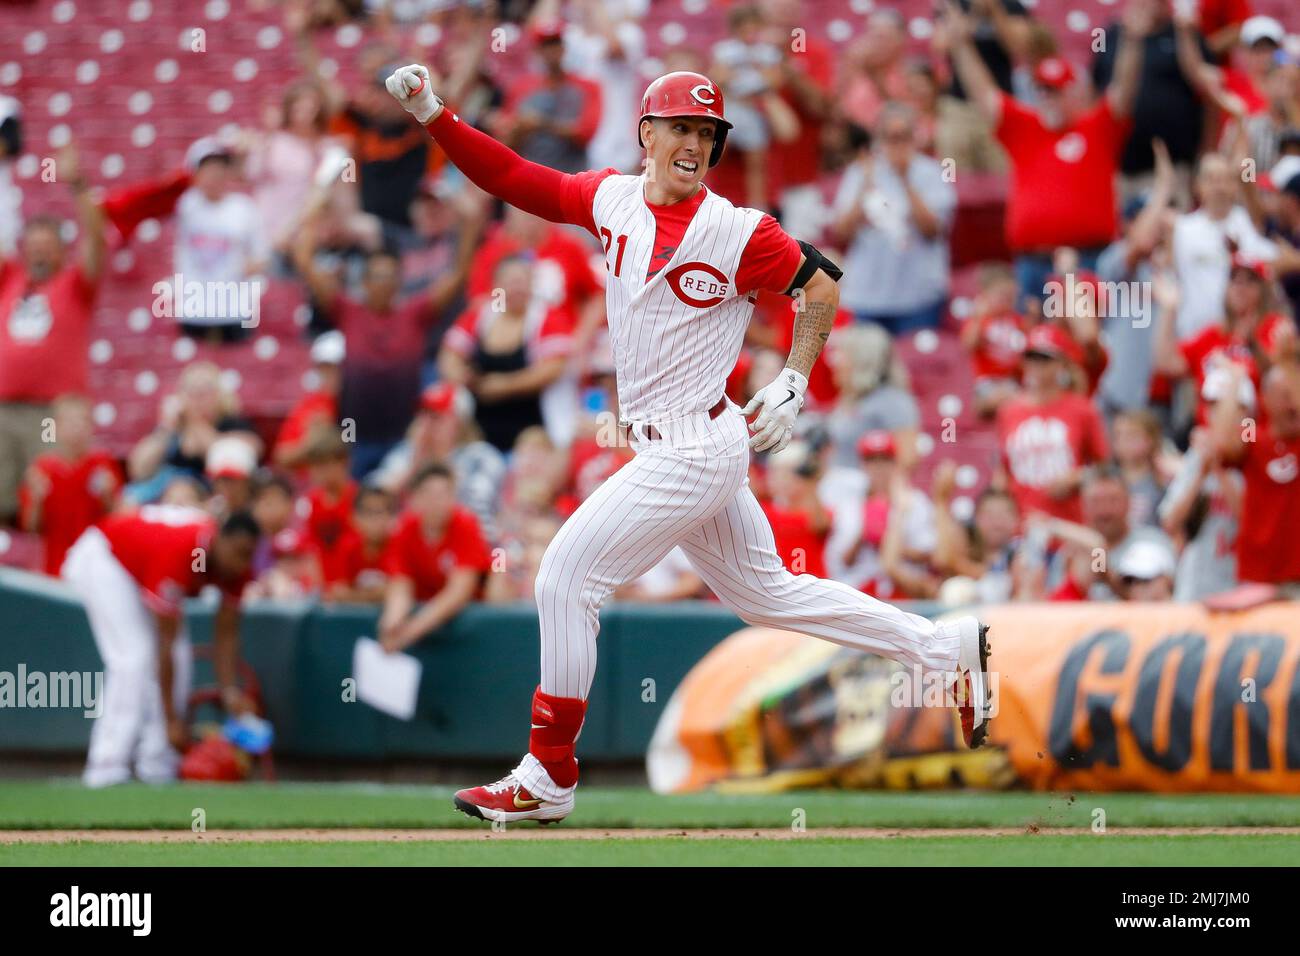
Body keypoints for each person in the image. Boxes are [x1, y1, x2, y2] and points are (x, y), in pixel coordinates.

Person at [384, 63, 992, 823]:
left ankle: (547, 773)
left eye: (707, 133)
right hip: (671, 443)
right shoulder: (610, 198)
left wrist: (796, 380)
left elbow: (822, 286)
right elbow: (510, 174)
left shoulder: (738, 230)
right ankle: (946, 647)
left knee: (563, 579)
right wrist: (435, 114)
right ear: (646, 134)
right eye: (681, 127)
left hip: (699, 445)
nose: (695, 143)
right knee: (766, 596)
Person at [944, 0, 1149, 309]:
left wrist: (1133, 40)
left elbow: (1125, 89)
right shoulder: (1024, 125)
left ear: (1074, 92)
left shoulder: (1096, 126)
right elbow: (983, 93)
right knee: (1034, 345)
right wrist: (960, 46)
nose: (1047, 98)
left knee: (1088, 343)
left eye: (1055, 90)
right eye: (1041, 90)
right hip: (1033, 261)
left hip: (1089, 258)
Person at [61, 506, 259, 787]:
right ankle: (106, 767)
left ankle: (157, 764)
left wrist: (230, 694)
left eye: (249, 554)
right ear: (219, 539)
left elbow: (226, 636)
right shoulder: (187, 552)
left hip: (141, 566)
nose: (242, 563)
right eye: (238, 552)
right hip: (106, 558)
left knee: (180, 656)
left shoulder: (238, 570)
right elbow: (163, 647)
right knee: (134, 658)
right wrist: (172, 722)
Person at [0, 146, 106, 522]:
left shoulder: (74, 285)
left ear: (62, 251)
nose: (39, 253)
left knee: (48, 494)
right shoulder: (11, 279)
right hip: (4, 408)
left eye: (47, 247)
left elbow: (97, 240)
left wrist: (78, 186)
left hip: (49, 411)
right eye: (33, 247)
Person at [829, 102, 958, 333]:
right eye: (890, 137)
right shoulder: (861, 172)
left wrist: (905, 179)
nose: (897, 144)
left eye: (903, 136)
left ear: (914, 137)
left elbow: (934, 229)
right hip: (867, 296)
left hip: (918, 298)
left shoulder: (932, 172)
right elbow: (841, 231)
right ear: (879, 138)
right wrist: (864, 189)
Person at [995, 324, 1110, 523]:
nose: (1037, 365)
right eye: (1031, 358)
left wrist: (1077, 478)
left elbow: (1105, 469)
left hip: (1069, 522)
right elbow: (1004, 470)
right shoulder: (1009, 410)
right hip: (1023, 523)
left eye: (1045, 359)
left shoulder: (1082, 409)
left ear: (1062, 364)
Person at [377, 463, 492, 653]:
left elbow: (459, 591)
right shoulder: (403, 529)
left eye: (444, 494)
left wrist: (410, 631)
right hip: (426, 611)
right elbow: (400, 585)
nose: (437, 502)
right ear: (414, 498)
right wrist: (392, 621)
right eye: (429, 495)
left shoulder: (466, 524)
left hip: (468, 621)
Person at [1213, 362, 1300, 589]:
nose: (1292, 403)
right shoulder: (1254, 436)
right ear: (1266, 399)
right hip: (1258, 573)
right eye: (1285, 395)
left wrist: (1285, 356)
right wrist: (1235, 382)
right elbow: (1223, 442)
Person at [18, 394, 122, 576]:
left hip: (93, 565)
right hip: (54, 566)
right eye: (70, 422)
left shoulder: (102, 464)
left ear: (91, 427)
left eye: (83, 422)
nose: (77, 429)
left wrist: (108, 496)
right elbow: (31, 527)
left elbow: (116, 519)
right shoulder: (42, 469)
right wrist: (37, 500)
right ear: (55, 427)